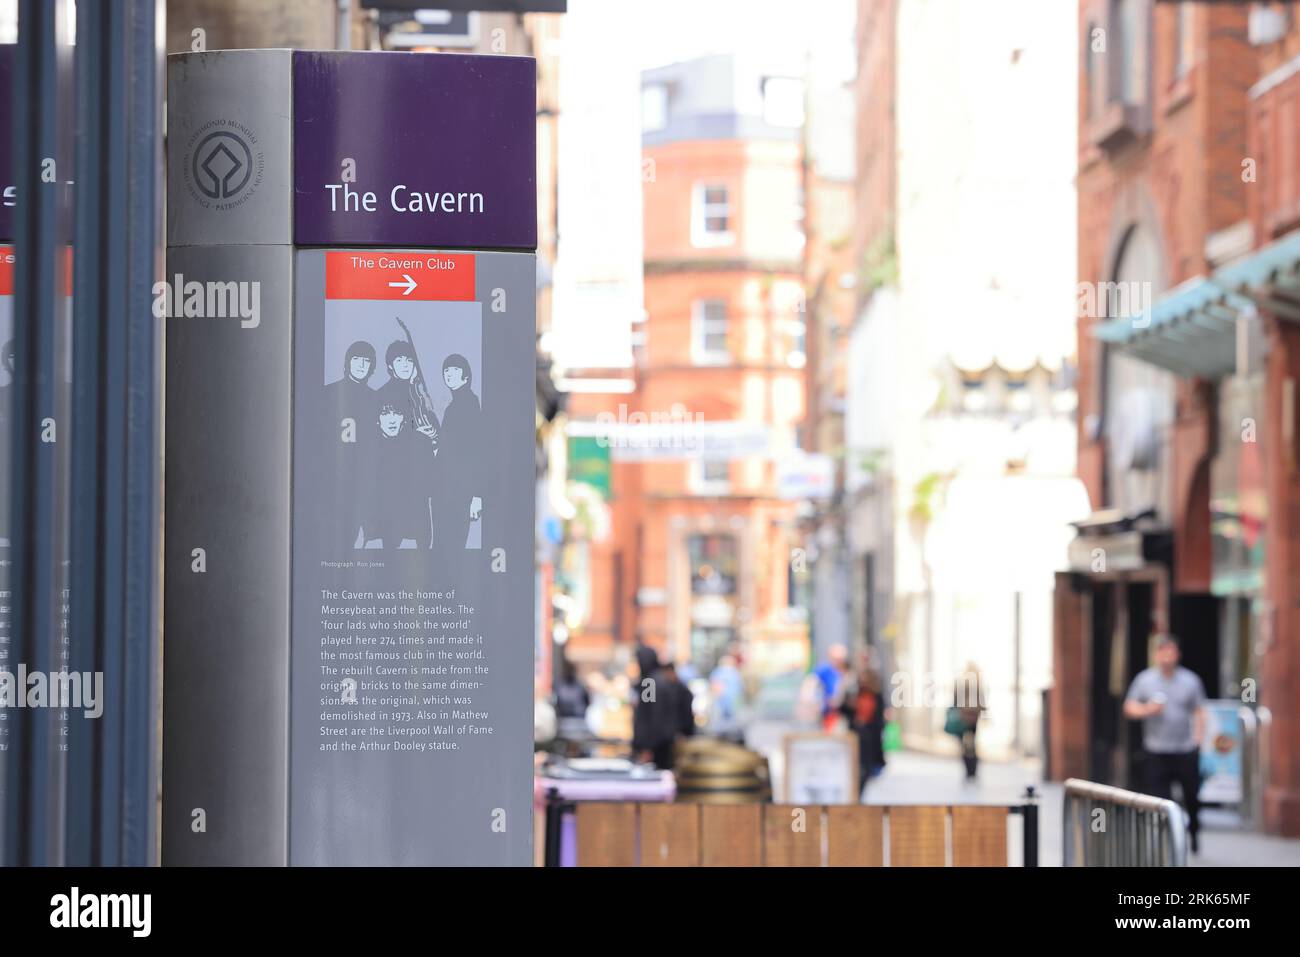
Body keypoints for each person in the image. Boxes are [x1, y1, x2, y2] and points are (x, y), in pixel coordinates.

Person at [1124, 634, 1206, 853]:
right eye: (1163, 652)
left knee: (1191, 797)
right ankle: (1167, 842)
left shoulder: (1190, 680)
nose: (1167, 657)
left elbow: (1199, 711)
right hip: (1156, 750)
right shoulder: (1145, 680)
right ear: (1156, 655)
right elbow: (1129, 707)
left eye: (1171, 652)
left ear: (1177, 654)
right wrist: (1147, 710)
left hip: (1184, 749)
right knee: (1161, 800)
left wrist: (1198, 740)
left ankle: (1194, 833)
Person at [324, 340, 377, 549]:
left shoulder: (375, 398)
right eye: (357, 360)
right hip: (334, 478)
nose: (362, 365)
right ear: (347, 363)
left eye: (366, 361)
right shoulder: (330, 393)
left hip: (365, 477)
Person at [368, 401, 435, 548]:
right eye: (385, 414)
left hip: (417, 521)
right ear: (377, 420)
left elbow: (432, 483)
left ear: (404, 418)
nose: (392, 419)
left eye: (397, 413)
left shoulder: (421, 442)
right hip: (387, 523)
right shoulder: (371, 448)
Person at [434, 353, 482, 549]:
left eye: (455, 371)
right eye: (446, 371)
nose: (449, 375)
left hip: (458, 492)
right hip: (448, 489)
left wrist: (476, 497)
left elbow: (475, 452)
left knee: (449, 546)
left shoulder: (467, 404)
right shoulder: (455, 404)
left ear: (466, 376)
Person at [841, 650, 887, 793]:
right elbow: (842, 708)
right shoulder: (854, 691)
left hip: (870, 738)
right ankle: (856, 795)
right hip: (856, 736)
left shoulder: (875, 695)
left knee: (866, 770)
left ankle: (858, 794)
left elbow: (879, 717)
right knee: (856, 769)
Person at [953, 662, 984, 780]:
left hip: (964, 718)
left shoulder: (962, 682)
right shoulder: (976, 683)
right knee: (971, 745)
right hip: (972, 719)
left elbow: (955, 700)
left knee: (966, 745)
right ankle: (972, 770)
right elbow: (982, 702)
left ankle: (969, 769)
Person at [813, 644, 850, 731]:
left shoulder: (845, 670)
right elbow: (812, 684)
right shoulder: (824, 669)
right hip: (826, 711)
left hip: (842, 711)